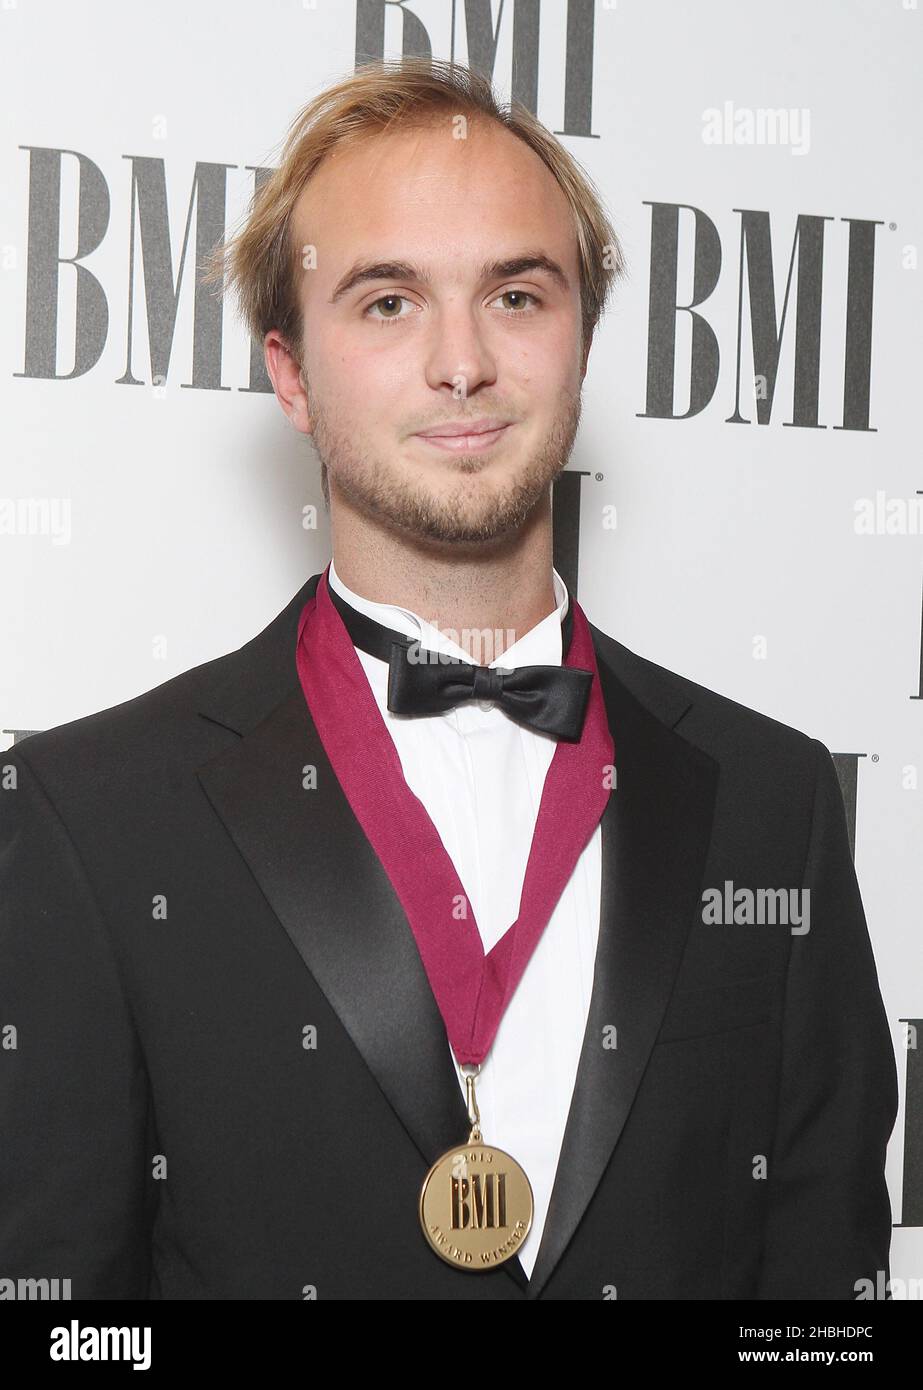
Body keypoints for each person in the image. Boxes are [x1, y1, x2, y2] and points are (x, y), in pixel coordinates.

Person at [0, 58, 897, 1300]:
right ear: (291, 374)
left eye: (517, 294)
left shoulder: (771, 801)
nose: (461, 361)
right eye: (386, 302)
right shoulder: (85, 814)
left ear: (581, 338)